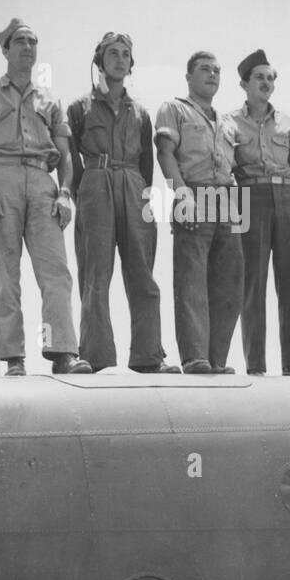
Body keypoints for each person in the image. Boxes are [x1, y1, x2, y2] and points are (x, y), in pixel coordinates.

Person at [0, 18, 92, 377]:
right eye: (19, 41)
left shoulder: (50, 101)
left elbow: (66, 154)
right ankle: (14, 358)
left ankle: (62, 352)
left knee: (56, 273)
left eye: (33, 42)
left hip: (42, 180)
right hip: (2, 176)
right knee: (6, 274)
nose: (27, 48)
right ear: (5, 49)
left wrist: (65, 192)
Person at [67, 31, 177, 373]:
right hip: (95, 182)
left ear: (131, 64)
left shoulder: (141, 113)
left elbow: (147, 164)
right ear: (100, 61)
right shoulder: (79, 108)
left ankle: (149, 356)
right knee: (95, 274)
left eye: (125, 54)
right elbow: (70, 159)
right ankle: (96, 357)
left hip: (134, 184)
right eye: (112, 53)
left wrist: (143, 196)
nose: (119, 58)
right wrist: (82, 194)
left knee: (143, 273)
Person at [153, 52, 244, 374]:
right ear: (189, 76)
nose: (212, 75)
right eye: (205, 70)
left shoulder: (228, 120)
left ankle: (218, 359)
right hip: (193, 192)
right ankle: (195, 357)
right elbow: (165, 153)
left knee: (231, 282)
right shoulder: (174, 108)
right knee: (192, 280)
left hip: (230, 199)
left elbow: (240, 165)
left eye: (217, 70)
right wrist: (181, 194)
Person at [229, 50, 290, 375]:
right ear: (244, 83)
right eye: (259, 78)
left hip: (286, 196)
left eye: (270, 78)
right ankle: (256, 366)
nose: (266, 83)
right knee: (253, 282)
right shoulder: (230, 122)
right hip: (250, 196)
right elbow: (227, 168)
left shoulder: (287, 123)